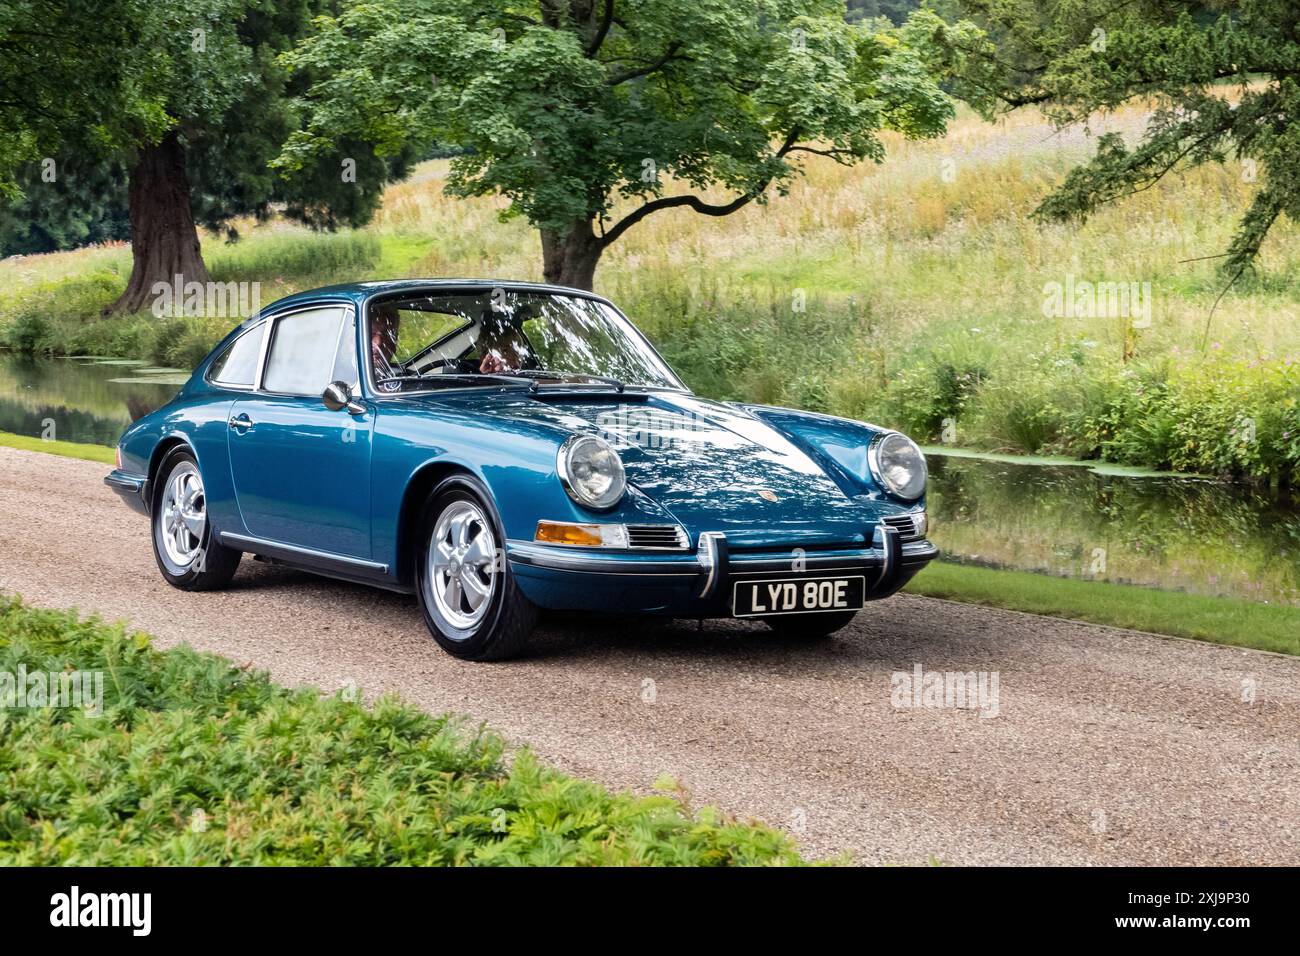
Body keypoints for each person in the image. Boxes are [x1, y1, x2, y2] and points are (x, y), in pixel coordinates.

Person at [370, 304, 401, 380]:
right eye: (370, 334)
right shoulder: (342, 380)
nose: (378, 342)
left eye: (386, 334)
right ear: (351, 341)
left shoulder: (403, 377)